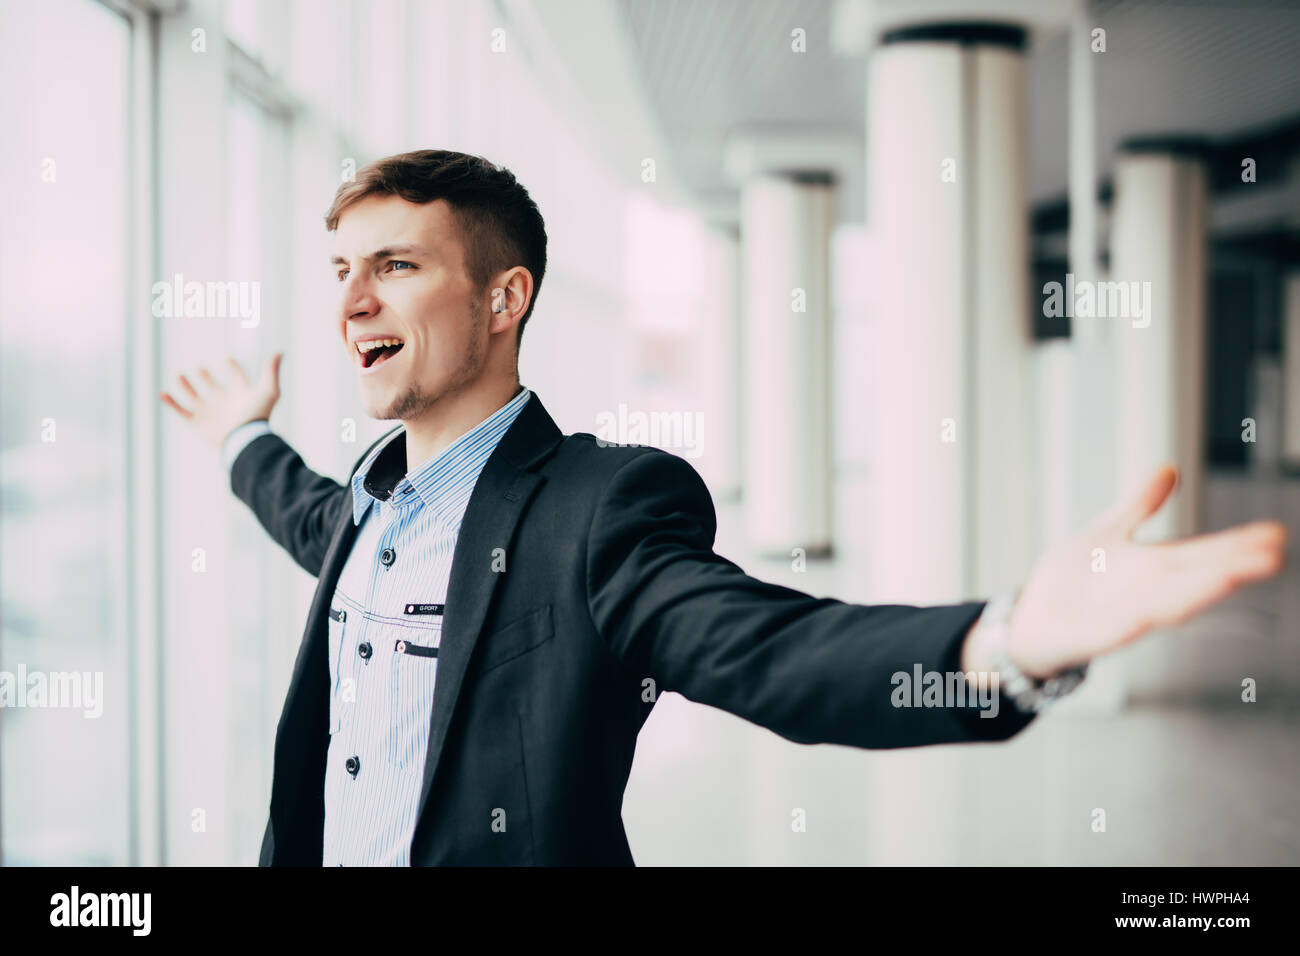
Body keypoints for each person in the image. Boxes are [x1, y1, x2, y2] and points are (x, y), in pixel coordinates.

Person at [160, 149, 1287, 866]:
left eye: (393, 265)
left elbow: (768, 649)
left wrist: (1003, 644)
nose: (350, 299)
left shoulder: (598, 506)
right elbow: (308, 515)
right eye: (340, 268)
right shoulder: (370, 505)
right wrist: (241, 438)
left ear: (505, 298)